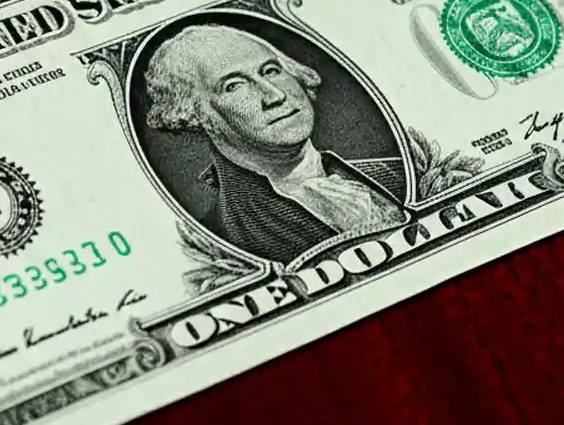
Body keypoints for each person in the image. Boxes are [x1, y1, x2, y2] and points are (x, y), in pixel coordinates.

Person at [144, 23, 406, 264]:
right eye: (234, 86)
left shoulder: (397, 174)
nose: (275, 95)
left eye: (271, 71)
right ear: (194, 114)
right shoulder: (223, 241)